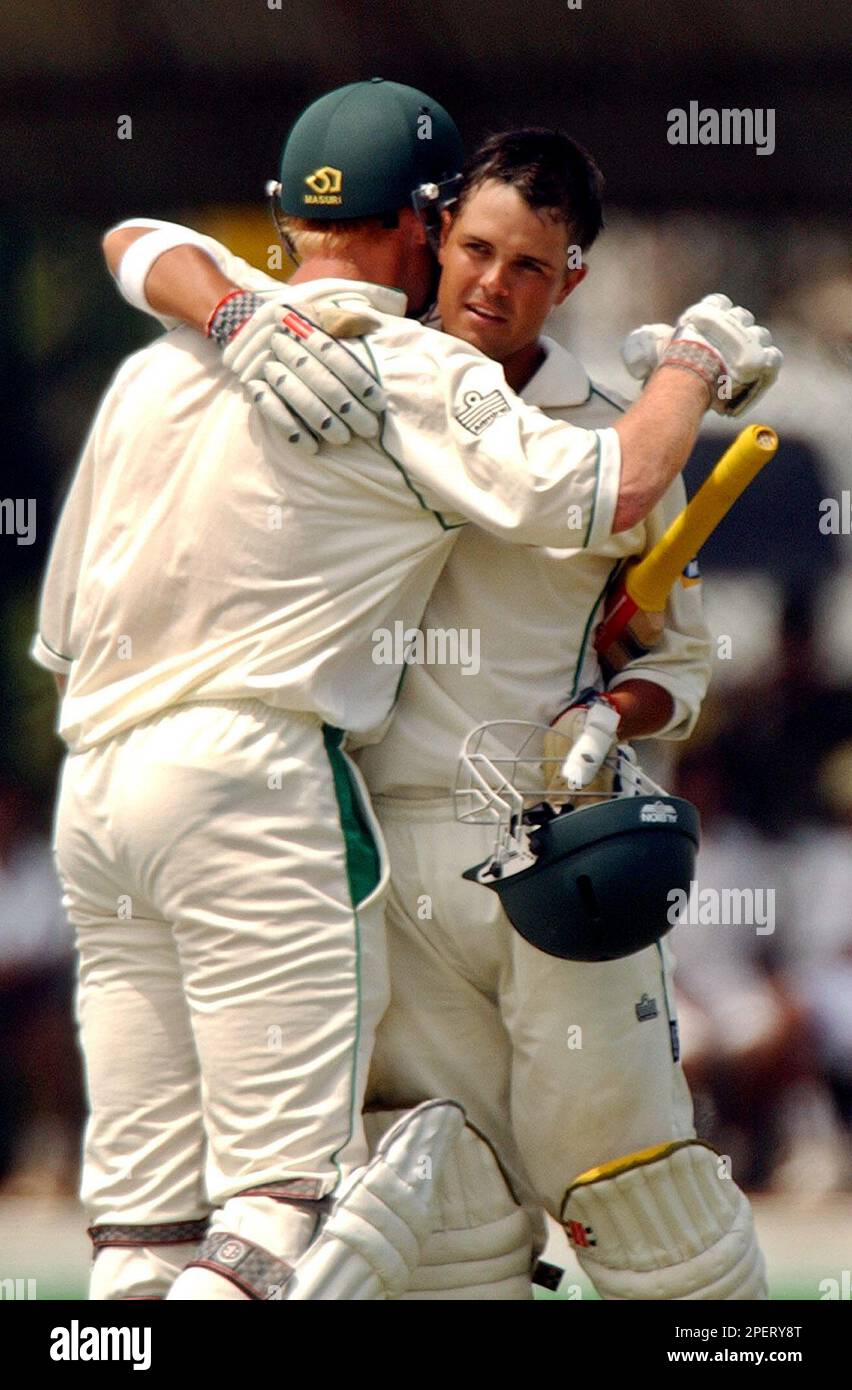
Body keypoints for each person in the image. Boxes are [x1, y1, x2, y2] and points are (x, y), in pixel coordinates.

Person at [98, 122, 776, 1298]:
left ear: (572, 276)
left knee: (639, 1190)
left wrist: (618, 704)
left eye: (529, 265)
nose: (492, 286)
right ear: (436, 233)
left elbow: (686, 658)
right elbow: (137, 237)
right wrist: (236, 314)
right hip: (372, 858)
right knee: (440, 1195)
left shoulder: (611, 426)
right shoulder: (349, 359)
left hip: (550, 846)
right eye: (474, 249)